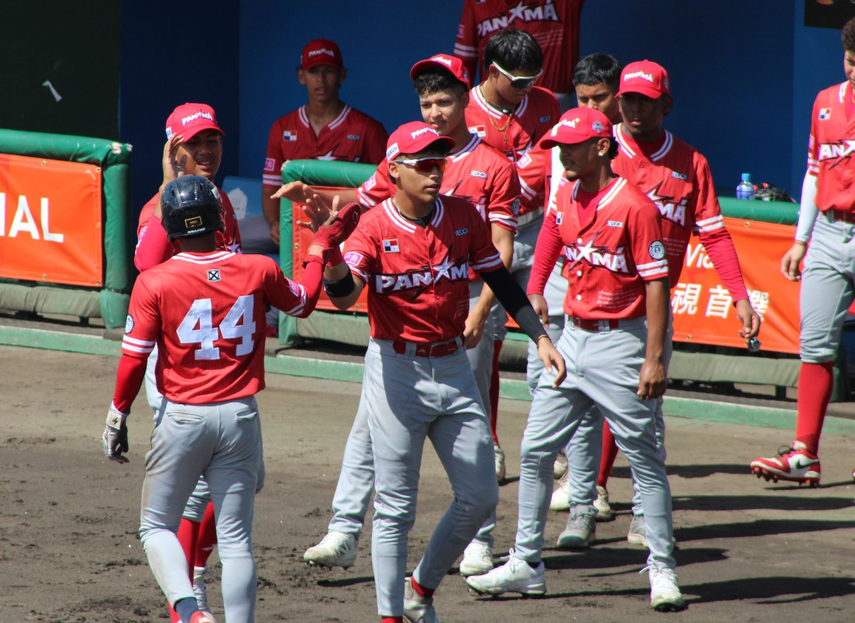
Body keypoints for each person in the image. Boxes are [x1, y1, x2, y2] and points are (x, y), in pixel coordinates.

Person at [319, 121, 565, 623]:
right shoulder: (373, 226)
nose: (436, 171)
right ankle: (390, 615)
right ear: (394, 171)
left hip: (452, 365)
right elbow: (344, 299)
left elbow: (499, 277)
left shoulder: (462, 215)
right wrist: (331, 262)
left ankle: (420, 587)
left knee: (478, 497)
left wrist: (539, 335)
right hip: (396, 370)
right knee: (395, 509)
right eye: (424, 164)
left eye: (440, 162)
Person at [292, 56, 520, 579]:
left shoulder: (493, 164)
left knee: (473, 424)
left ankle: (479, 541)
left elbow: (501, 252)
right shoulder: (404, 153)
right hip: (401, 335)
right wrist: (325, 211)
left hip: (467, 309)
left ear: (467, 99)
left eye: (444, 101)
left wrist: (483, 310)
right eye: (426, 103)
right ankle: (347, 530)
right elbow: (366, 208)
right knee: (373, 422)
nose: (435, 112)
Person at [101, 175, 358, 623]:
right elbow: (305, 302)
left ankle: (190, 612)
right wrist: (318, 248)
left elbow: (133, 361)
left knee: (155, 526)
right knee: (236, 539)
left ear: (172, 227)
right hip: (240, 416)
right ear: (220, 220)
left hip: (183, 417)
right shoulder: (257, 267)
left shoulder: (154, 281)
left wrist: (116, 416)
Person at [463, 107, 685, 612]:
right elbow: (549, 237)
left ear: (601, 148)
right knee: (536, 451)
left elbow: (656, 285)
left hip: (621, 345)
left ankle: (662, 568)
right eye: (558, 145)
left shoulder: (634, 206)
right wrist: (536, 288)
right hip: (571, 340)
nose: (561, 153)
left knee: (645, 460)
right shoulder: (564, 193)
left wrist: (653, 359)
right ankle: (526, 563)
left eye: (571, 146)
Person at [550, 61, 761, 550]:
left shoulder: (691, 163)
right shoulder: (599, 149)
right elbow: (555, 224)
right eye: (627, 98)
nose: (634, 107)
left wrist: (739, 296)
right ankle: (583, 505)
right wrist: (541, 286)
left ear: (666, 103)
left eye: (646, 99)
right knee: (582, 417)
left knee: (645, 416)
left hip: (648, 311)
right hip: (590, 307)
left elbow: (713, 234)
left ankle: (644, 514)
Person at [135, 103, 243, 623]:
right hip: (175, 367)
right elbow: (144, 265)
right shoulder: (159, 208)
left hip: (224, 363)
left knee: (227, 485)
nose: (205, 152)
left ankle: (194, 579)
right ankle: (189, 598)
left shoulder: (221, 201)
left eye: (212, 142)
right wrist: (162, 189)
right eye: (193, 144)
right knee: (196, 488)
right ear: (173, 151)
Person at [751, 18, 855, 486]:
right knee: (814, 345)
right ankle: (804, 455)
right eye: (851, 62)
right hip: (831, 234)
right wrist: (799, 238)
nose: (854, 72)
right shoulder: (825, 102)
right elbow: (814, 171)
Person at [517, 53, 623, 491]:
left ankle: (587, 489)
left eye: (600, 97)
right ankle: (572, 467)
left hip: (607, 285)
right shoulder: (561, 143)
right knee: (539, 376)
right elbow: (528, 199)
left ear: (618, 96)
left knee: (596, 395)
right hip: (560, 275)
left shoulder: (625, 147)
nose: (591, 106)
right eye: (582, 98)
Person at [261, 38, 388, 246]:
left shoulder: (369, 130)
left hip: (352, 231)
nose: (320, 79)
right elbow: (270, 189)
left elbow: (386, 191)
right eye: (313, 71)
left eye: (328, 71)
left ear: (342, 74)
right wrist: (274, 223)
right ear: (301, 76)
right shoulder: (281, 127)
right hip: (297, 230)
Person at [453, 0, 585, 109]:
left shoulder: (563, 3)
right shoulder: (477, 3)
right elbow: (463, 66)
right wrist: (465, 107)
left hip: (553, 102)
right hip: (495, 106)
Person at [464, 28, 560, 163]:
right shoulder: (464, 111)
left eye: (533, 79)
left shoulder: (547, 102)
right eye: (520, 82)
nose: (528, 88)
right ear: (494, 71)